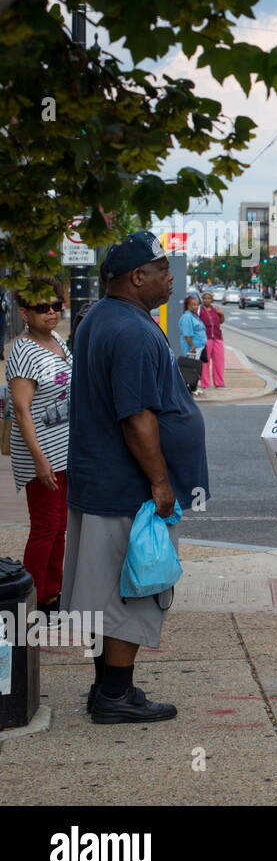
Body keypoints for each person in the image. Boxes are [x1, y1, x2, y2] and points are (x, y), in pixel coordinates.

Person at [65, 230, 208, 724]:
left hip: (108, 484)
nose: (171, 278)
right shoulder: (128, 329)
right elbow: (137, 417)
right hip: (127, 489)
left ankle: (109, 687)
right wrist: (161, 482)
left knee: (111, 590)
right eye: (163, 270)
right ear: (136, 277)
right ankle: (114, 697)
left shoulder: (106, 318)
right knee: (134, 590)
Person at [5, 281, 72, 610]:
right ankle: (31, 601)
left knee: (60, 525)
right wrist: (40, 461)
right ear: (24, 313)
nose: (51, 312)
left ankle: (52, 594)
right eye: (42, 308)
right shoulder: (23, 349)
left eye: (56, 306)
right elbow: (20, 410)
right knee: (45, 527)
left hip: (65, 450)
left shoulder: (58, 340)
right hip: (41, 452)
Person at [179, 295, 207, 397]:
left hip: (198, 347)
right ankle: (190, 389)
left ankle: (194, 388)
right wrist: (192, 347)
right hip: (192, 347)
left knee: (195, 368)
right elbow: (187, 335)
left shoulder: (193, 316)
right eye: (193, 305)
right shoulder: (187, 317)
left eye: (197, 304)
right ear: (187, 305)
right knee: (191, 369)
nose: (195, 307)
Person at [198, 291, 225, 390]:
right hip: (205, 338)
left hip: (218, 337)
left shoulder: (216, 309)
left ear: (212, 300)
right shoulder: (199, 310)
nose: (207, 300)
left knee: (219, 361)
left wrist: (221, 315)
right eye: (205, 298)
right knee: (205, 362)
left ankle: (219, 383)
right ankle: (205, 383)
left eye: (209, 298)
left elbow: (221, 322)